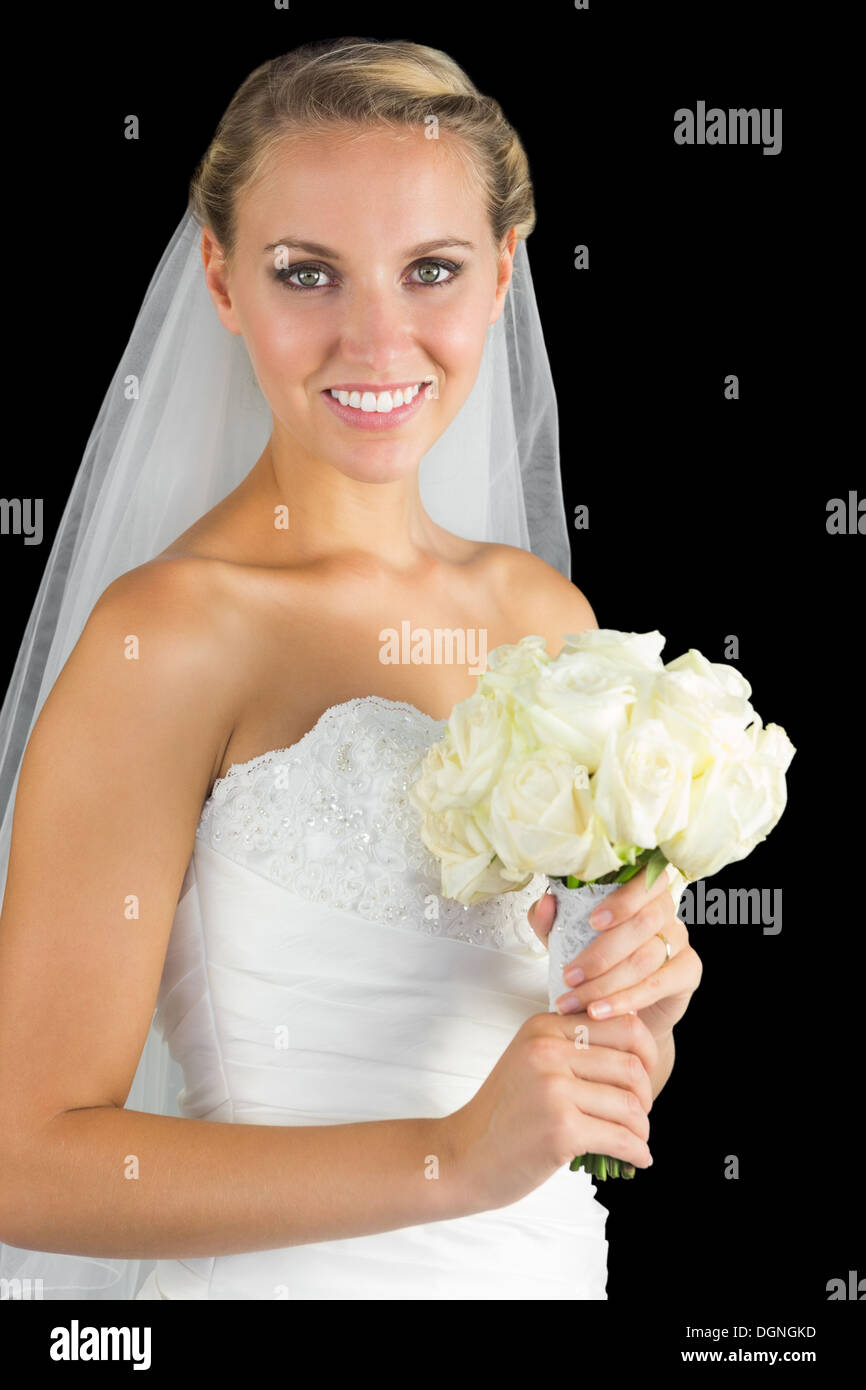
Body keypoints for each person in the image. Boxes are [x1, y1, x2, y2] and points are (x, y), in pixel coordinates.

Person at [0, 38, 690, 1301]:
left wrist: (633, 1008)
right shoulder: (167, 637)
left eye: (429, 269)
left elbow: (548, 1055)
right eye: (306, 273)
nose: (377, 340)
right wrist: (446, 1162)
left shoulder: (543, 615)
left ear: (500, 276)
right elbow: (26, 1162)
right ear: (219, 277)